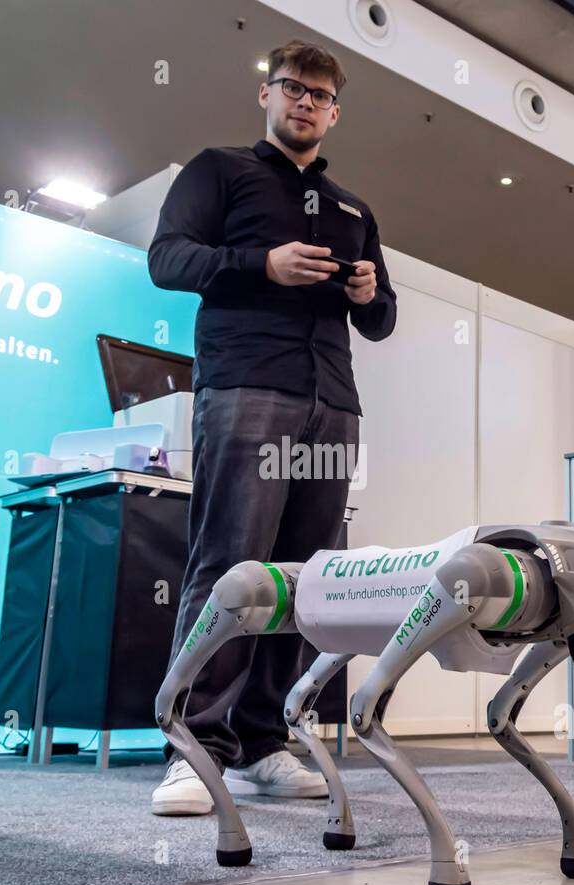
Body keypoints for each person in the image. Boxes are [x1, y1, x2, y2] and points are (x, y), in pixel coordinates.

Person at [145, 40, 397, 814]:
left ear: (335, 112)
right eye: (293, 88)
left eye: (321, 96)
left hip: (332, 400)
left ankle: (262, 741)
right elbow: (166, 259)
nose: (306, 104)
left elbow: (384, 318)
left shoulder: (356, 208)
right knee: (229, 563)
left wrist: (365, 290)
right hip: (248, 384)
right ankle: (193, 745)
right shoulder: (218, 170)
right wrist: (263, 264)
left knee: (305, 580)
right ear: (268, 93)